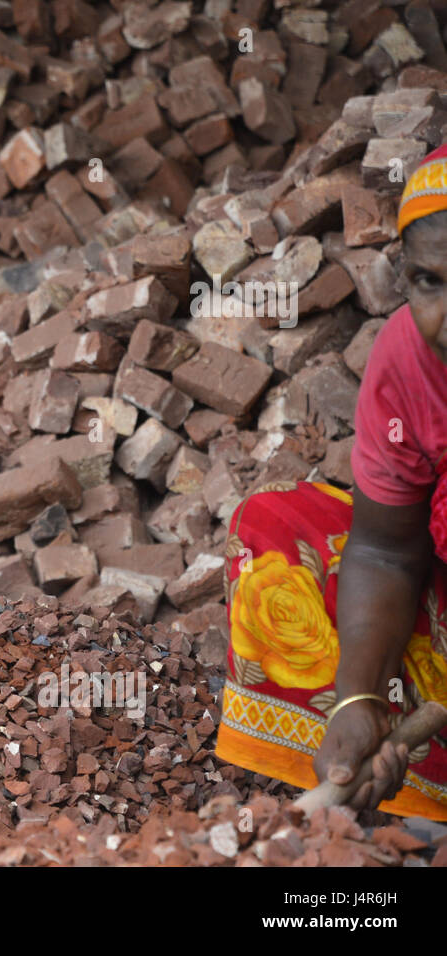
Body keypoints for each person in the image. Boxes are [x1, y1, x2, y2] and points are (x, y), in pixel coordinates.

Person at [215, 143, 447, 820]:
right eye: (430, 282)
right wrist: (359, 697)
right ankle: (387, 791)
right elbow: (386, 550)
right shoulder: (408, 356)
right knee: (273, 530)